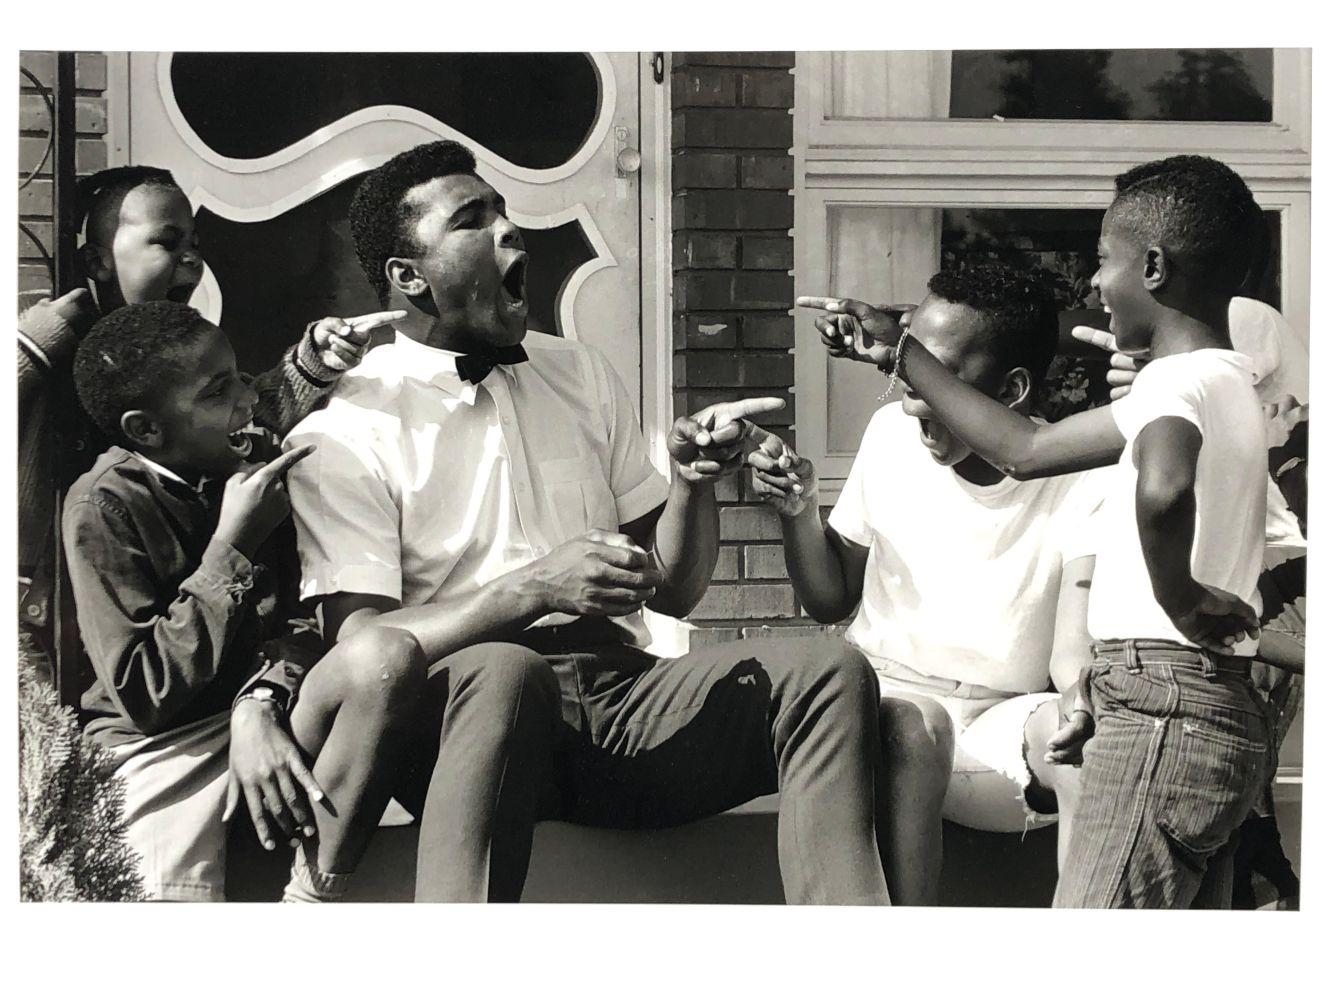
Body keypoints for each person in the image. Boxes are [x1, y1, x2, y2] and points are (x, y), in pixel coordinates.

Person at [284, 139, 890, 904]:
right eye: (473, 220)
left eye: (505, 211)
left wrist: (691, 485)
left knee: (825, 671)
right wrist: (533, 588)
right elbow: (364, 645)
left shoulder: (580, 372)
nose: (511, 231)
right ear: (409, 277)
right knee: (504, 671)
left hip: (616, 705)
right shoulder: (347, 423)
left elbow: (670, 592)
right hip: (462, 725)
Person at [799, 154, 1272, 909]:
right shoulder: (1231, 381)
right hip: (1218, 705)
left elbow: (1145, 483)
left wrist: (1179, 595)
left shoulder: (1172, 384)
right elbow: (1026, 449)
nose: (1090, 284)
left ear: (1151, 266)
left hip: (1157, 694)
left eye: (1101, 262)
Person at [749, 262, 1100, 904]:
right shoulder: (891, 437)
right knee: (919, 727)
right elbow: (829, 597)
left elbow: (1069, 655)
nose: (912, 398)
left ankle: (1081, 950)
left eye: (933, 378)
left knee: (1085, 746)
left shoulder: (1078, 477)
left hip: (999, 719)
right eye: (906, 374)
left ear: (1013, 389)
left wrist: (1078, 703)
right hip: (883, 713)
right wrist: (800, 512)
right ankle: (909, 955)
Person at [63, 301, 424, 902]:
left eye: (241, 376)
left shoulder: (251, 465)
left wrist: (259, 697)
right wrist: (232, 545)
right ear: (145, 431)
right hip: (158, 748)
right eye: (217, 391)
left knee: (379, 669)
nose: (248, 399)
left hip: (259, 710)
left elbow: (310, 616)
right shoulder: (103, 506)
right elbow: (146, 691)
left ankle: (313, 895)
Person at [18, 165, 376, 686]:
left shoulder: (178, 356)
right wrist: (33, 344)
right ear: (97, 260)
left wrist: (312, 363)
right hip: (52, 647)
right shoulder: (57, 360)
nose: (190, 257)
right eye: (166, 240)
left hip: (169, 640)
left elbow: (234, 416)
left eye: (194, 241)